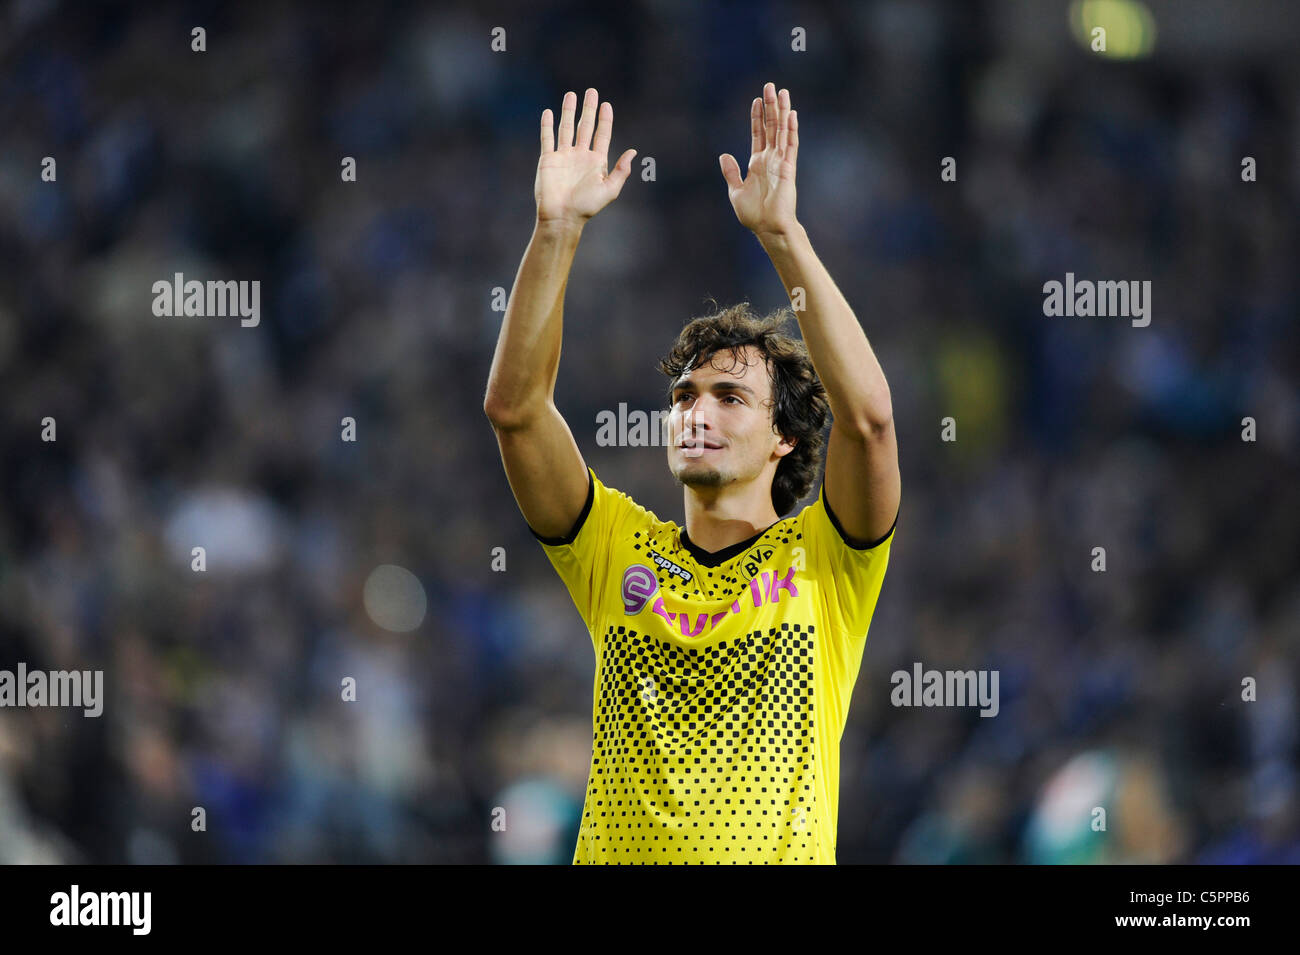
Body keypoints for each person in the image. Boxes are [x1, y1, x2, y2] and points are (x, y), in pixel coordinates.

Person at [484, 83, 900, 863]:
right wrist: (558, 229)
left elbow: (870, 421)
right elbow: (515, 410)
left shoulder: (828, 562)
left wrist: (783, 236)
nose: (696, 411)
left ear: (783, 438)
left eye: (730, 396)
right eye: (683, 395)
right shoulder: (617, 548)